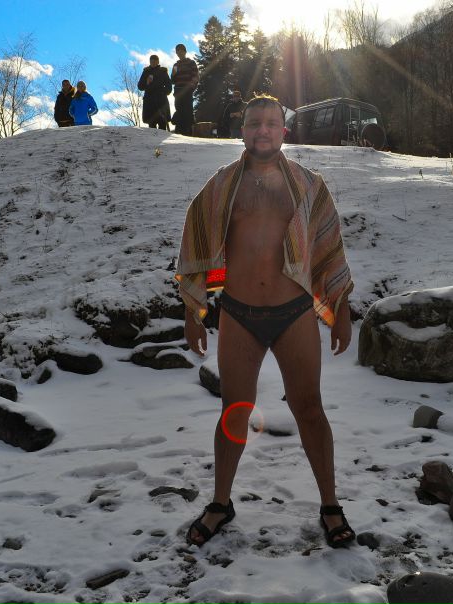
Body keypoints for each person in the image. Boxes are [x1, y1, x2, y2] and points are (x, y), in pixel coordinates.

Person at [176, 95, 356, 549]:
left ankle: (330, 505)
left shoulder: (308, 186)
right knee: (234, 411)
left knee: (309, 408)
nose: (263, 130)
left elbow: (327, 251)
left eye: (271, 123)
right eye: (254, 123)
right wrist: (194, 310)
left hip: (294, 313)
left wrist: (340, 311)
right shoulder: (222, 186)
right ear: (242, 130)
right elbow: (201, 243)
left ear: (283, 131)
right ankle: (220, 503)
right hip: (238, 314)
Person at [170, 43, 199, 136]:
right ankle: (178, 132)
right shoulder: (176, 65)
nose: (179, 52)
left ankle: (188, 133)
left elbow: (196, 76)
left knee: (188, 111)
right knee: (179, 111)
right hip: (178, 91)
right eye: (177, 51)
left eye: (181, 50)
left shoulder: (191, 63)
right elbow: (173, 81)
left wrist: (191, 88)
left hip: (187, 91)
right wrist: (173, 74)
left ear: (185, 52)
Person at [137, 55, 172, 131]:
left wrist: (163, 92)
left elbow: (169, 85)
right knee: (151, 125)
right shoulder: (146, 71)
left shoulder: (163, 71)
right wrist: (147, 82)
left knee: (162, 123)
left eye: (155, 60)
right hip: (149, 101)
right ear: (150, 62)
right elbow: (140, 86)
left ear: (158, 61)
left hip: (161, 101)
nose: (153, 62)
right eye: (151, 61)